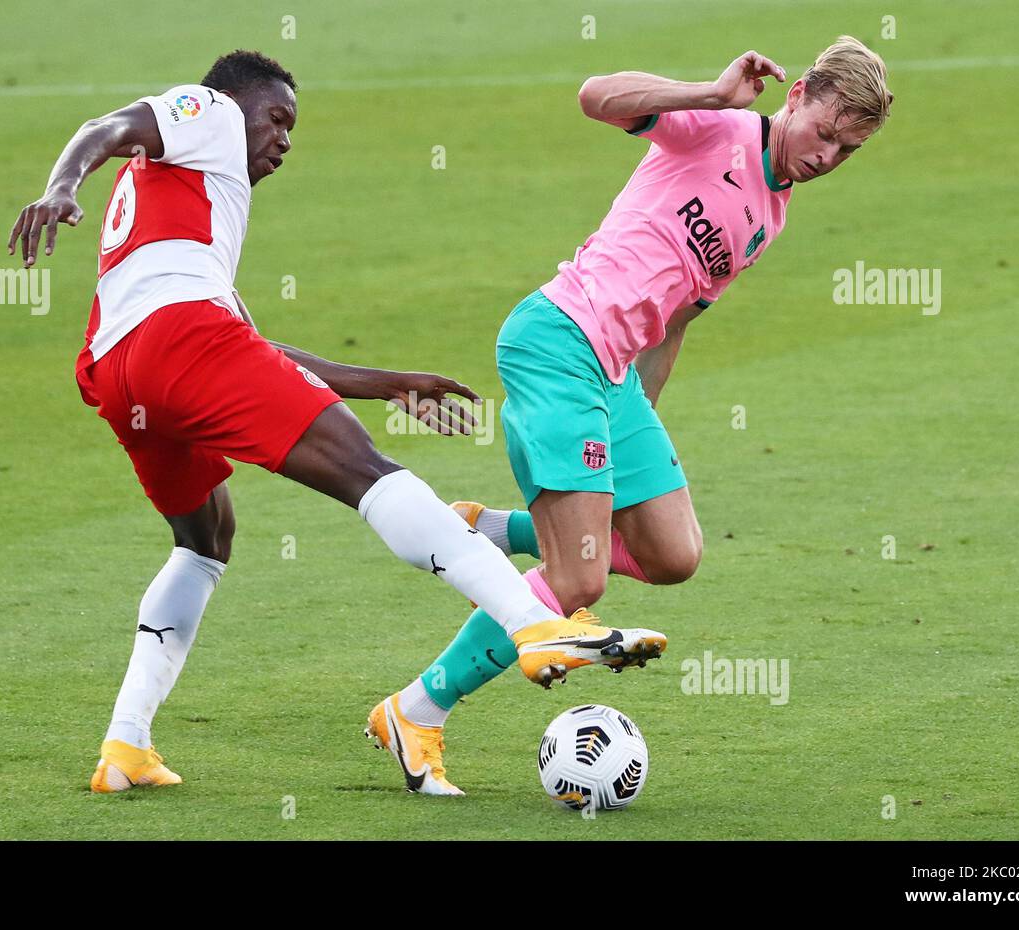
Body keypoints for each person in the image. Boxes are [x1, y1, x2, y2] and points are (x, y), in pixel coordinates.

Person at [7, 50, 665, 795]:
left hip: (119, 363)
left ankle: (125, 746)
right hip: (179, 339)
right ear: (235, 101)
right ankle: (533, 625)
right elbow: (111, 124)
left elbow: (248, 352)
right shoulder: (211, 111)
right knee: (368, 473)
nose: (284, 139)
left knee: (205, 539)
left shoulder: (179, 210)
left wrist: (381, 383)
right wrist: (60, 187)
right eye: (277, 118)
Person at [370, 37, 893, 794]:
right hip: (559, 341)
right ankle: (415, 712)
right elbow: (595, 94)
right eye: (826, 132)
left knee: (671, 555)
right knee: (578, 579)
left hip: (613, 376)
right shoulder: (716, 128)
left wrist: (629, 431)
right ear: (800, 91)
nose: (829, 157)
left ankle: (493, 528)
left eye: (849, 150)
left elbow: (677, 319)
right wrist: (712, 93)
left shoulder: (771, 217)